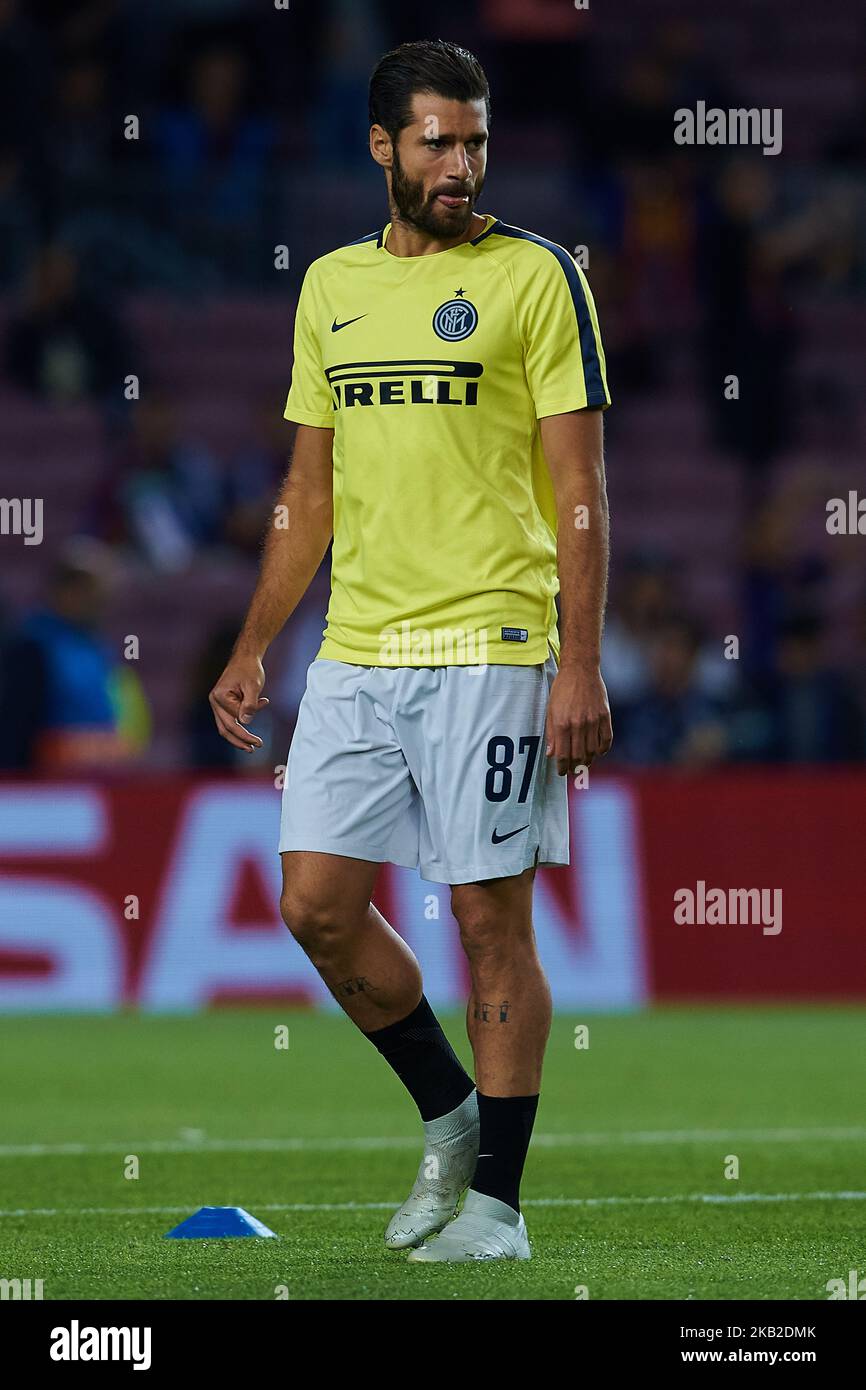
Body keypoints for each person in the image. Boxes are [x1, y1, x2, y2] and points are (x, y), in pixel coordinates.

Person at [209, 39, 612, 1264]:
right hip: (357, 649)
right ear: (381, 146)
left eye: (475, 140)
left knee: (491, 923)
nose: (459, 163)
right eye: (435, 140)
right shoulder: (329, 285)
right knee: (315, 905)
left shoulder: (537, 277)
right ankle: (447, 1113)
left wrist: (579, 661)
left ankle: (494, 1204)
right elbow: (307, 490)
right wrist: (251, 644)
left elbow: (582, 486)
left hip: (493, 640)